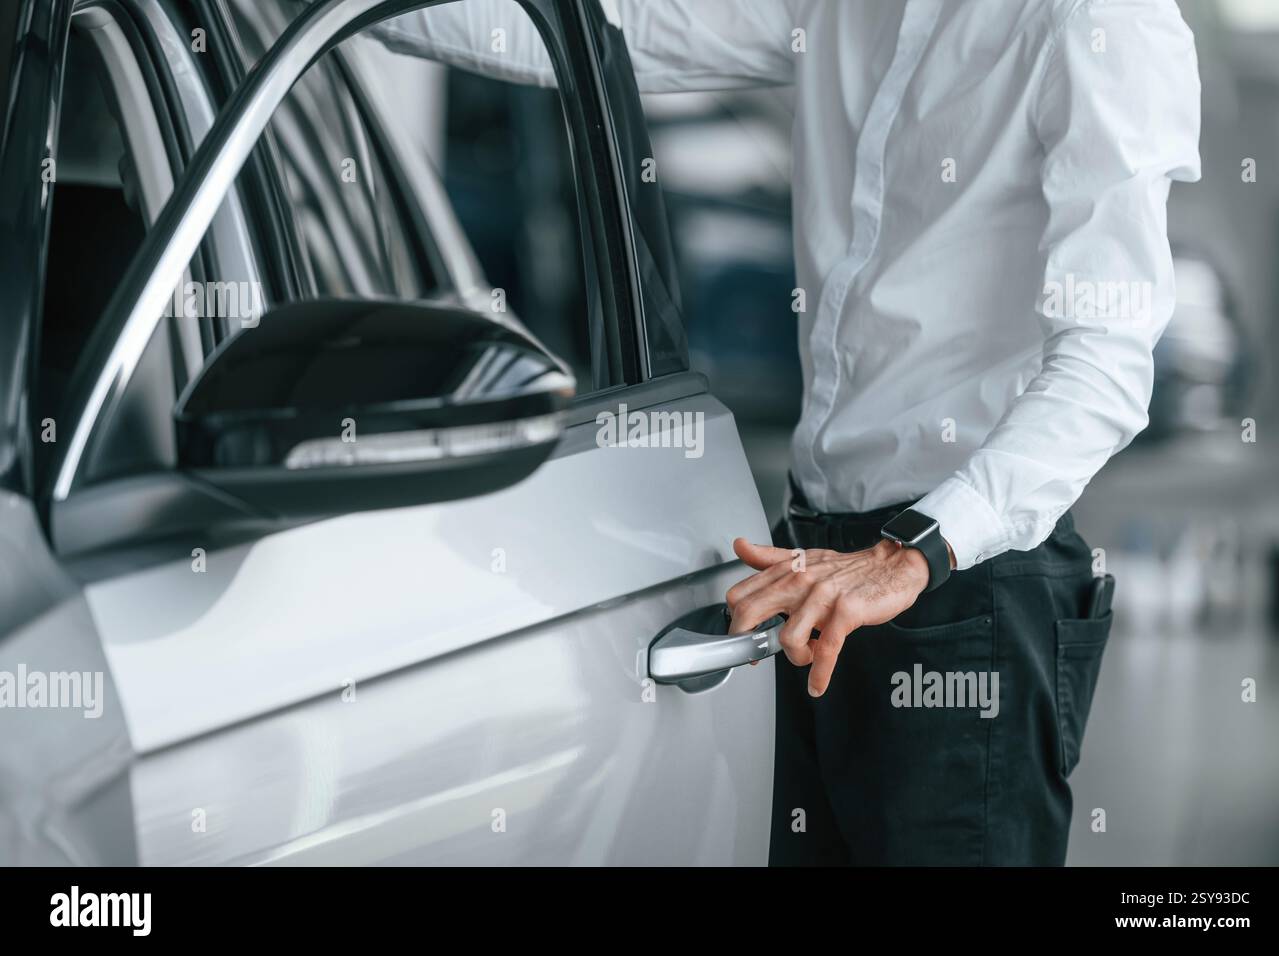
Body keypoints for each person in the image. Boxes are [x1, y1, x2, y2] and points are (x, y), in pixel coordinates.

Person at [371, 0, 1202, 865]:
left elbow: (1106, 364)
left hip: (965, 590)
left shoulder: (1101, 21)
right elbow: (605, 24)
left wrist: (914, 551)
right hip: (817, 566)